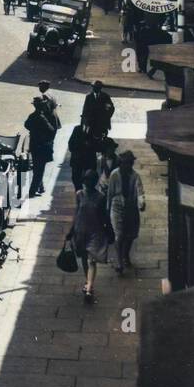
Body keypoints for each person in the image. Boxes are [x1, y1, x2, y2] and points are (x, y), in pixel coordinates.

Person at [70, 169, 111, 303]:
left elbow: (104, 216)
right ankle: (88, 282)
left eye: (91, 180)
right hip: (81, 230)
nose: (88, 182)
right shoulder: (79, 195)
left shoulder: (100, 197)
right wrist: (71, 231)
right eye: (86, 180)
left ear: (94, 181)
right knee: (84, 258)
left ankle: (89, 289)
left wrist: (108, 230)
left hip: (95, 231)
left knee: (91, 260)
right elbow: (76, 213)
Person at [105, 150, 146, 273]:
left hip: (131, 208)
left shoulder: (135, 176)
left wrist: (141, 203)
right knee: (119, 234)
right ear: (121, 163)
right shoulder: (114, 175)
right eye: (125, 163)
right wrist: (107, 209)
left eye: (129, 163)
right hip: (117, 206)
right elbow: (110, 193)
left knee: (131, 235)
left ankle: (125, 255)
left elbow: (140, 191)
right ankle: (119, 261)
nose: (127, 165)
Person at [24, 96, 59, 197]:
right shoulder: (42, 117)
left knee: (36, 168)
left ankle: (40, 187)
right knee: (39, 171)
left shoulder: (32, 116)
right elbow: (51, 130)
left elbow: (26, 125)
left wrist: (34, 131)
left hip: (34, 146)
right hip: (42, 147)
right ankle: (32, 191)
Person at [64, 123, 96, 189]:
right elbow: (70, 144)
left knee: (89, 181)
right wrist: (81, 146)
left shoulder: (95, 130)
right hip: (77, 161)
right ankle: (79, 194)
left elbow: (98, 146)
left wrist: (90, 145)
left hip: (89, 161)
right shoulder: (77, 129)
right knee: (76, 180)